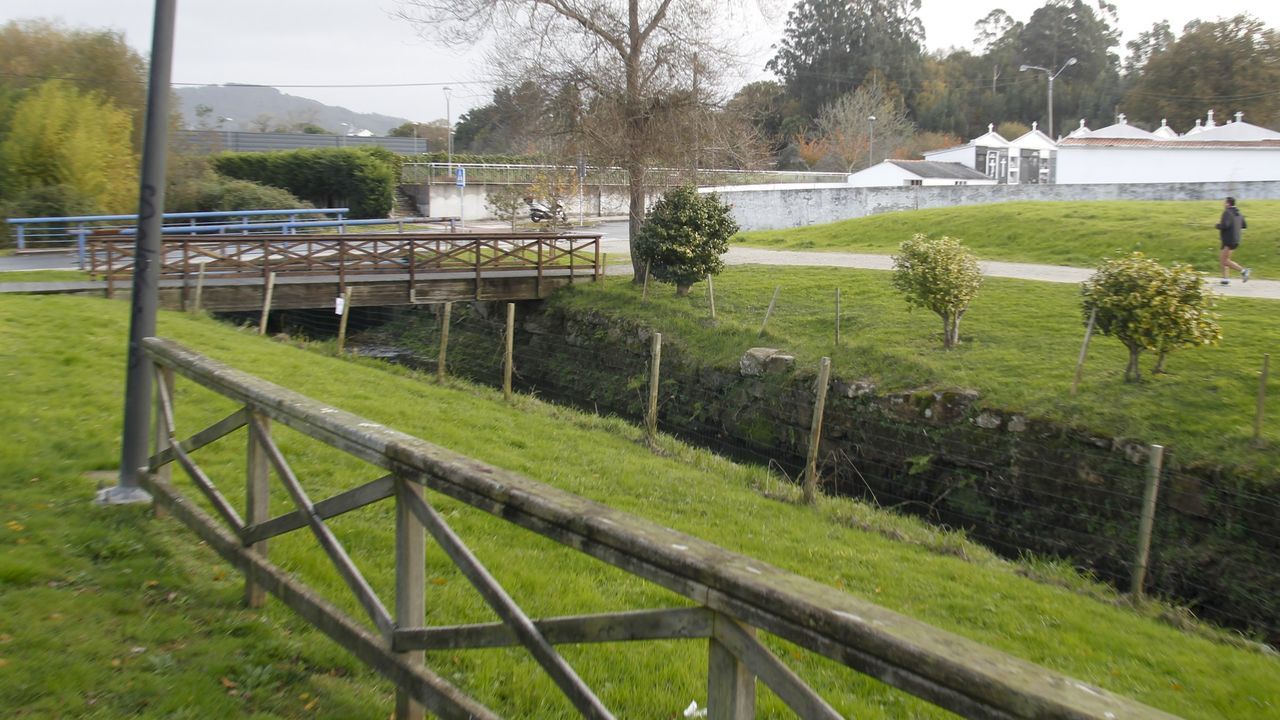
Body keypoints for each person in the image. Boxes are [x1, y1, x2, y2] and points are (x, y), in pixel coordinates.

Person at [1215, 196, 1249, 285]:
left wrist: (1217, 225)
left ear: (1228, 203)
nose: (1223, 204)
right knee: (1223, 258)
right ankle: (1225, 279)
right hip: (1235, 239)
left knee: (1224, 260)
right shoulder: (1238, 213)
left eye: (1224, 202)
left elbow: (1225, 225)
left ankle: (1244, 271)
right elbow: (1244, 225)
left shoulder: (1227, 212)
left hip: (1228, 240)